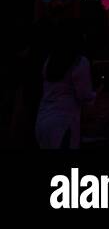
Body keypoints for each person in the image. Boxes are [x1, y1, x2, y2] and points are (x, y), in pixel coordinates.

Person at [34, 20, 96, 149]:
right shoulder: (79, 62)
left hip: (43, 120)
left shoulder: (50, 60)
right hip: (64, 123)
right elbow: (84, 95)